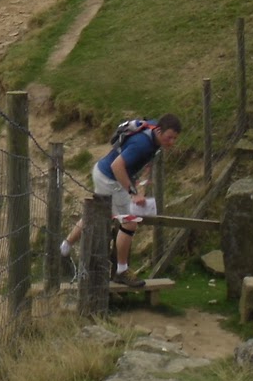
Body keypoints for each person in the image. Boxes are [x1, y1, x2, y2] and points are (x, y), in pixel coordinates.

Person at [59, 114, 182, 286]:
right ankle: (122, 271)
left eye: (175, 138)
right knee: (130, 222)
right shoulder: (142, 145)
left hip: (102, 172)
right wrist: (133, 192)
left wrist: (142, 182)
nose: (172, 142)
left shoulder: (154, 129)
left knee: (98, 214)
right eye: (169, 138)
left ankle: (64, 248)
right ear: (159, 131)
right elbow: (117, 166)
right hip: (110, 178)